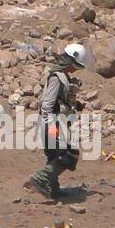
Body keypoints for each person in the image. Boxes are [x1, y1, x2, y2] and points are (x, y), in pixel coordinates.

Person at [25, 43, 89, 199]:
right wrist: (52, 128)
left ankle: (53, 190)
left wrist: (75, 104)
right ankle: (40, 177)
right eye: (75, 65)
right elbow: (47, 105)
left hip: (56, 120)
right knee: (69, 154)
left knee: (54, 155)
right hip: (51, 121)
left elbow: (59, 100)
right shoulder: (56, 77)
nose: (75, 69)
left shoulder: (64, 77)